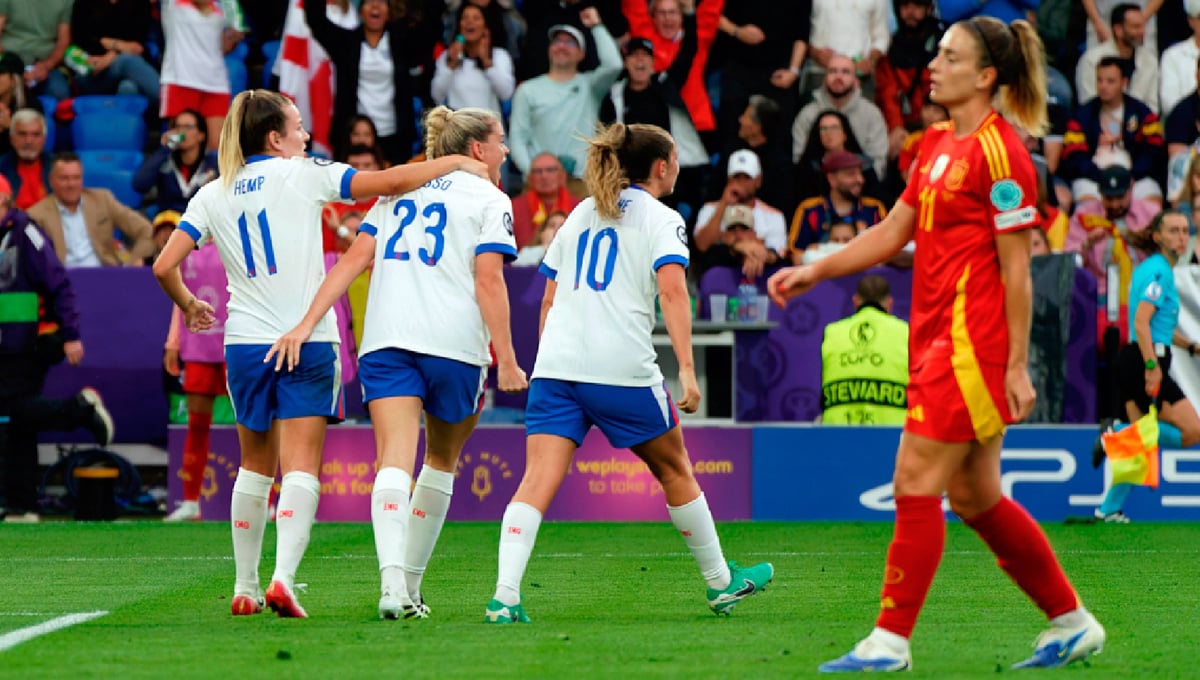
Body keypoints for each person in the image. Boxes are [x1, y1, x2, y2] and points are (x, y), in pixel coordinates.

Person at [769, 16, 1106, 671]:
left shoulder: (1003, 153)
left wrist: (1014, 364)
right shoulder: (932, 144)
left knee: (914, 483)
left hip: (966, 348)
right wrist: (819, 266)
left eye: (950, 57)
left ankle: (889, 642)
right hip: (936, 341)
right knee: (977, 498)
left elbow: (1017, 270)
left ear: (985, 76)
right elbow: (894, 230)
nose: (934, 64)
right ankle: (1073, 622)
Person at [151, 89, 490, 618]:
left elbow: (163, 265)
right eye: (298, 127)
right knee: (302, 466)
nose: (306, 136)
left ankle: (245, 586)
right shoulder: (304, 173)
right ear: (274, 137)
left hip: (243, 342)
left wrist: (190, 304)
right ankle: (284, 578)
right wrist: (454, 159)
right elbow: (391, 182)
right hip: (306, 341)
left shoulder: (212, 193)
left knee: (253, 467)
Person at [484, 122, 774, 624]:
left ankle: (504, 598)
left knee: (535, 482)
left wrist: (554, 355)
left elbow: (549, 297)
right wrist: (687, 370)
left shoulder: (578, 213)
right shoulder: (663, 219)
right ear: (661, 167)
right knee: (674, 469)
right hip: (620, 368)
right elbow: (673, 293)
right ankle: (721, 583)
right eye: (677, 158)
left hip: (556, 369)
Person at [268, 105, 526, 620]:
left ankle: (393, 590)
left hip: (387, 340)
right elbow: (488, 280)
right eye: (500, 141)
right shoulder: (491, 198)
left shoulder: (395, 194)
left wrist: (305, 322)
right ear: (476, 149)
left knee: (393, 461)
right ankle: (408, 584)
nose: (505, 150)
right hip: (454, 346)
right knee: (440, 462)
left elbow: (349, 262)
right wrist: (509, 359)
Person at [0, 174, 114, 523]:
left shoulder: (25, 233)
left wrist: (70, 333)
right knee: (15, 420)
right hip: (8, 342)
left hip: (32, 339)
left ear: (6, 202)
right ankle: (22, 504)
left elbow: (60, 283)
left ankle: (80, 410)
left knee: (12, 410)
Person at [1093, 210, 1200, 522]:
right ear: (1157, 237)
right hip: (1143, 361)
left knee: (1141, 443)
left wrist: (1191, 346)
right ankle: (1115, 432)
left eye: (1184, 231)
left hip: (1137, 359)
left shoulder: (1151, 268)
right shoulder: (1160, 273)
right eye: (1174, 231)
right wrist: (1152, 365)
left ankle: (1108, 509)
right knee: (1191, 431)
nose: (1181, 237)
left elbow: (1157, 327)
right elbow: (1141, 322)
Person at [161, 231, 229, 522]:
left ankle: (267, 502)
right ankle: (190, 501)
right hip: (198, 342)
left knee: (253, 424)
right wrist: (173, 341)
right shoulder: (187, 242)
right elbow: (179, 297)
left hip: (237, 342)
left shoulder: (239, 234)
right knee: (197, 425)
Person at [27, 152, 156, 267]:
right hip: (62, 283)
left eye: (76, 177)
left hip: (103, 277)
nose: (71, 184)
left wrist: (131, 264)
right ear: (51, 181)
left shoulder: (102, 200)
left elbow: (146, 231)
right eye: (64, 178)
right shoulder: (36, 215)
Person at [820, 274, 909, 425]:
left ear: (855, 301)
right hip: (892, 435)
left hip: (838, 433)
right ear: (889, 304)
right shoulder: (906, 331)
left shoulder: (832, 332)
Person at [159, 0, 246, 152]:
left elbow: (235, 33)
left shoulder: (223, 4)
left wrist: (226, 42)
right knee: (181, 146)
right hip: (180, 79)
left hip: (215, 82)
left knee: (218, 149)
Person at [133, 109, 220, 214]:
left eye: (188, 127)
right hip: (168, 222)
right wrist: (165, 148)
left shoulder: (213, 164)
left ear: (201, 135)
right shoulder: (165, 161)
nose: (182, 132)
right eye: (178, 127)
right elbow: (139, 184)